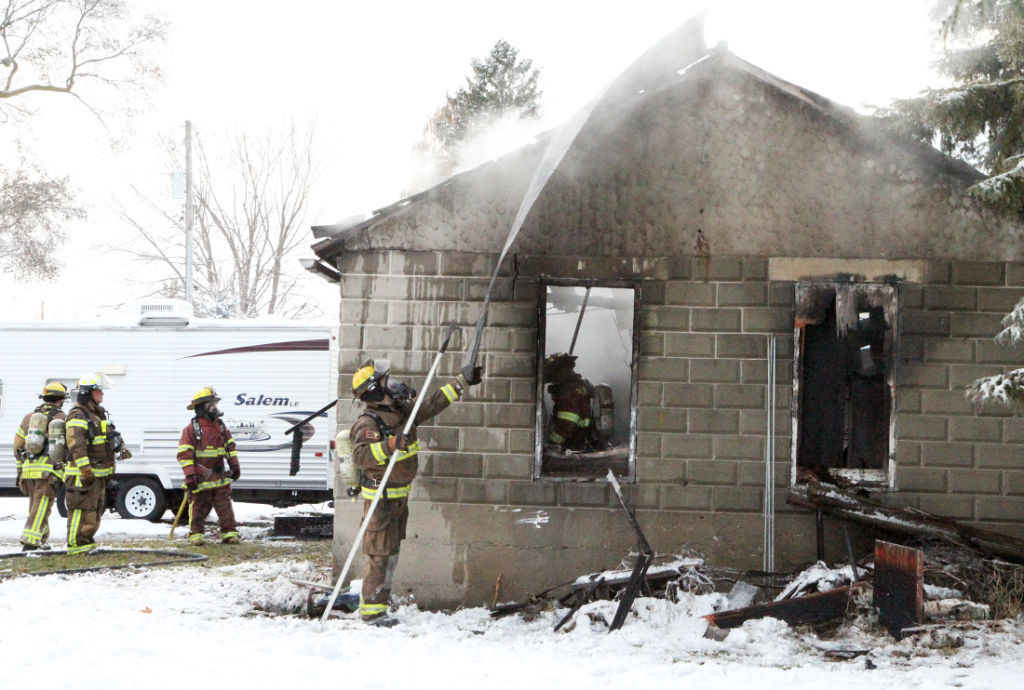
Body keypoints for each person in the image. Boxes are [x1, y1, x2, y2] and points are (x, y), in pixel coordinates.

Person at [349, 358, 482, 626]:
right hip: (381, 501)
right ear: (375, 390)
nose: (393, 385)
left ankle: (379, 602)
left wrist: (461, 382)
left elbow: (431, 403)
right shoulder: (369, 422)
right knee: (379, 556)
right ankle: (371, 612)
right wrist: (389, 445)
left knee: (392, 554)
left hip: (399, 498)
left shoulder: (400, 412)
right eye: (387, 382)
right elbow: (361, 456)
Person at [64, 373, 131, 554]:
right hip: (82, 475)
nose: (102, 394)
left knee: (93, 511)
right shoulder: (78, 415)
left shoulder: (97, 414)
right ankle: (75, 546)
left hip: (97, 475)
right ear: (88, 393)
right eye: (98, 391)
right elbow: (76, 444)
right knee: (80, 510)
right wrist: (85, 469)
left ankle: (85, 543)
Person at [176, 387, 240, 545]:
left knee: (224, 505)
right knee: (198, 506)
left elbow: (230, 448)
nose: (214, 407)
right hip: (200, 476)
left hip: (219, 476)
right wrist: (190, 474)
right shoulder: (191, 429)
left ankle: (229, 533)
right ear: (202, 407)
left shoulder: (221, 427)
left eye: (214, 404)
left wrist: (235, 465)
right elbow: (184, 454)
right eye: (211, 404)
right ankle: (196, 535)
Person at [12, 382, 69, 550]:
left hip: (29, 470)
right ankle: (30, 542)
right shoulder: (62, 418)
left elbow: (17, 447)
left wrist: (20, 470)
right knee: (42, 506)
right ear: (60, 400)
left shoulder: (29, 417)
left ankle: (42, 539)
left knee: (35, 507)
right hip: (49, 471)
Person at [542, 352, 601, 453]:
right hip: (584, 439)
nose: (552, 379)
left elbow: (567, 422)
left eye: (552, 374)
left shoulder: (568, 391)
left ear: (558, 372)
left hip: (574, 444)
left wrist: (552, 442)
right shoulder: (581, 384)